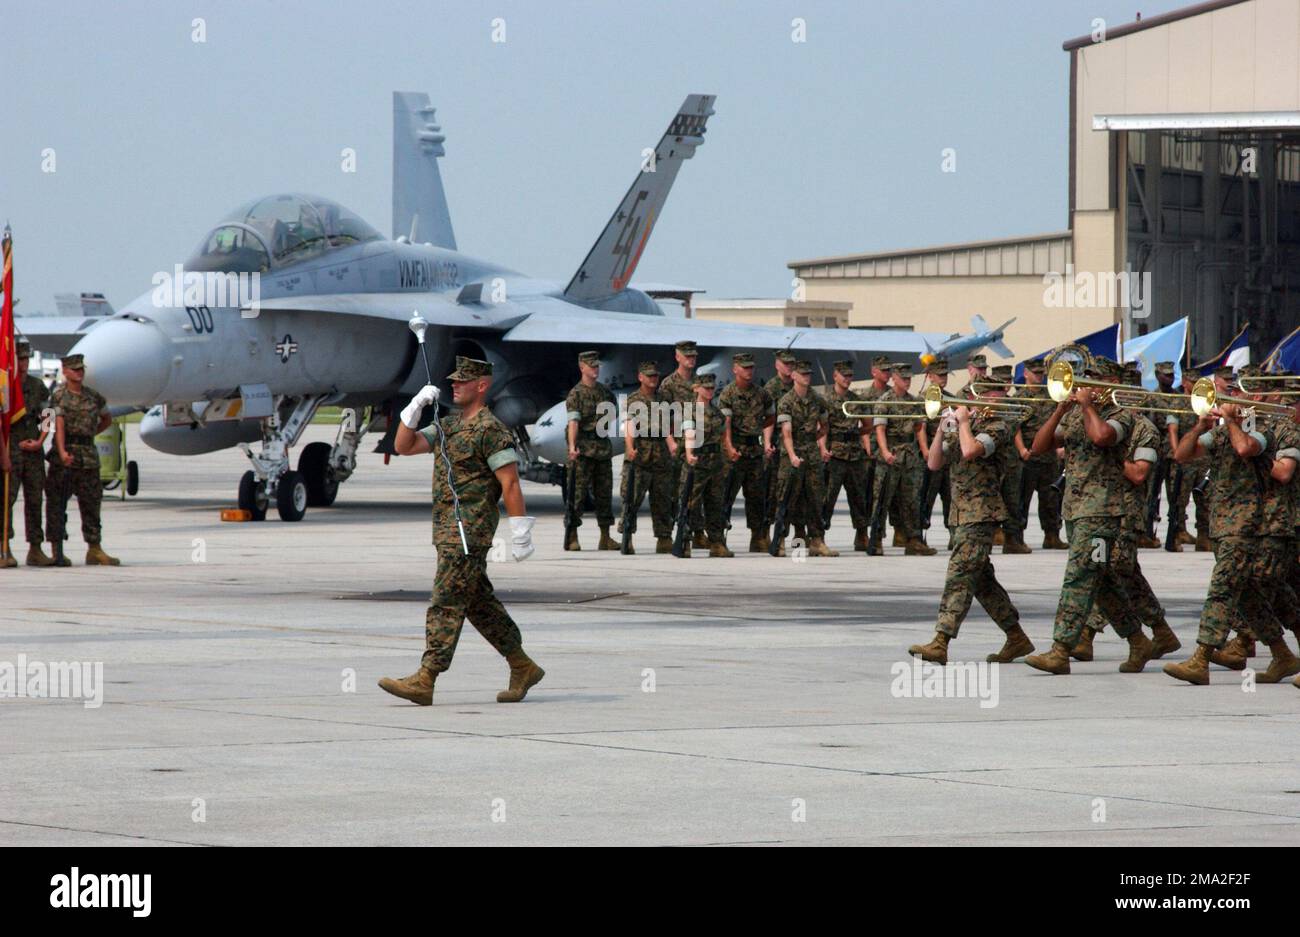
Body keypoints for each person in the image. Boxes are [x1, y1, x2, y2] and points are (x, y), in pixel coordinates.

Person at [379, 356, 542, 705]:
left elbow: (510, 482)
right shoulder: (449, 426)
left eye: (463, 381)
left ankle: (426, 677)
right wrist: (415, 406)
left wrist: (520, 532)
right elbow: (403, 446)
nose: (454, 385)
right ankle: (522, 664)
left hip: (469, 532)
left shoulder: (491, 430)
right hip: (447, 531)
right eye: (453, 380)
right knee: (478, 603)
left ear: (482, 385)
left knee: (446, 602)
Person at [1023, 356, 1155, 675]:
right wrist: (1058, 410)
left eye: (1093, 381)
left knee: (1079, 575)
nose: (1086, 386)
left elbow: (1102, 437)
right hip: (1075, 509)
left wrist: (1086, 407)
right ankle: (1139, 640)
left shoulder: (1122, 416)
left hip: (1103, 513)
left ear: (1108, 385)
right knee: (1102, 581)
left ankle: (1060, 650)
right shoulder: (1075, 415)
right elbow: (1039, 446)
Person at [1163, 389, 1300, 685]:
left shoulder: (1266, 429)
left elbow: (1245, 448)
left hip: (1250, 525)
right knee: (1253, 593)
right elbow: (1182, 454)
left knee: (1223, 589)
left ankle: (1200, 659)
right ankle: (1282, 654)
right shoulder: (1224, 433)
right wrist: (1200, 426)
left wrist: (1231, 420)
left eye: (1240, 394)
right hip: (1225, 524)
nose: (1232, 399)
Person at [1070, 366, 1180, 664]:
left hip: (1126, 512)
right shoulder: (1100, 420)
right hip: (1100, 509)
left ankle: (1094, 633)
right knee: (1108, 568)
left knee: (1114, 567)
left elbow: (1139, 474)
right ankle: (1156, 631)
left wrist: (1109, 459)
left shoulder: (1144, 429)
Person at [908, 398, 1031, 664]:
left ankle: (941, 641)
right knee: (983, 584)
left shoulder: (999, 427)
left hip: (981, 515)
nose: (973, 404)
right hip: (961, 516)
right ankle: (1016, 637)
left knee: (959, 576)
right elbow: (933, 462)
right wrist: (942, 427)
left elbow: (969, 451)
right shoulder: (966, 426)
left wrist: (963, 423)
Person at [44, 353, 117, 567]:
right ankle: (57, 550)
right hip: (65, 457)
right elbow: (57, 425)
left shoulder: (94, 397)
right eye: (74, 369)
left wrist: (91, 433)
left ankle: (94, 549)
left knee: (91, 503)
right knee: (57, 504)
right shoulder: (57, 396)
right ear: (65, 371)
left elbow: (106, 418)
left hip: (88, 456)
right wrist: (62, 451)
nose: (79, 373)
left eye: (81, 369)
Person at [773, 360, 837, 557]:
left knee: (816, 497)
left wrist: (819, 442)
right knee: (787, 497)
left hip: (811, 452)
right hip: (791, 453)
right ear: (794, 376)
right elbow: (787, 433)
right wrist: (792, 455)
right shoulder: (786, 401)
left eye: (808, 374)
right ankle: (780, 540)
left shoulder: (817, 399)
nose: (806, 377)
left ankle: (817, 540)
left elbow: (826, 422)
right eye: (802, 374)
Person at [869, 363, 934, 555]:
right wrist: (885, 451)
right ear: (894, 379)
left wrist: (925, 450)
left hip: (910, 455)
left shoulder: (914, 402)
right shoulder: (885, 401)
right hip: (891, 454)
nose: (907, 382)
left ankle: (913, 539)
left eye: (909, 378)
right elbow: (879, 430)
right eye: (903, 378)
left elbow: (919, 428)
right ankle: (876, 539)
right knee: (882, 498)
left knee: (912, 498)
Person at [4, 339, 53, 567]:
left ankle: (35, 547)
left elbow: (49, 415)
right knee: (6, 499)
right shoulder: (5, 386)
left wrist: (41, 440)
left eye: (25, 358)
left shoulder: (37, 386)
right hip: (11, 449)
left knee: (35, 499)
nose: (22, 364)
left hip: (33, 451)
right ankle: (4, 547)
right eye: (19, 358)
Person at [717, 352, 773, 552]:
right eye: (744, 367)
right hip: (736, 452)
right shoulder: (728, 394)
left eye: (751, 367)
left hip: (755, 452)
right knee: (726, 496)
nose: (749, 371)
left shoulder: (762, 393)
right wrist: (730, 447)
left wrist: (764, 440)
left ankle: (757, 537)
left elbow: (770, 418)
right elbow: (726, 425)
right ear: (735, 369)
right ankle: (719, 537)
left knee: (756, 497)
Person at [563, 350, 617, 551]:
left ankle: (605, 536)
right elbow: (573, 423)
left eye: (597, 365)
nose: (595, 369)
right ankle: (572, 536)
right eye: (591, 365)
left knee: (604, 495)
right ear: (582, 367)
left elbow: (612, 416)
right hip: (583, 451)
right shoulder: (575, 394)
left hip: (602, 450)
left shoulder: (605, 393)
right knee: (576, 495)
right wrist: (572, 447)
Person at [677, 373, 732, 558]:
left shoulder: (717, 412)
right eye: (706, 388)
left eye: (711, 387)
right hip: (697, 463)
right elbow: (689, 433)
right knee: (690, 503)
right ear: (697, 388)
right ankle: (685, 540)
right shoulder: (690, 411)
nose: (710, 391)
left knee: (715, 503)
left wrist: (728, 452)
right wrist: (690, 454)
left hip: (715, 463)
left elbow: (724, 435)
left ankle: (716, 542)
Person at [621, 361, 673, 554]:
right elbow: (628, 426)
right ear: (640, 377)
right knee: (632, 497)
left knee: (662, 498)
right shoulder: (633, 400)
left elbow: (668, 425)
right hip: (640, 453)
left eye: (655, 375)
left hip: (661, 454)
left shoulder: (664, 399)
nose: (653, 379)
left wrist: (672, 444)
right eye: (649, 375)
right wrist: (629, 447)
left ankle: (664, 537)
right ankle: (628, 535)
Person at [821, 359, 872, 551]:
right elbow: (822, 426)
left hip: (854, 454)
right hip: (835, 454)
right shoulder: (825, 400)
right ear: (835, 376)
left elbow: (867, 424)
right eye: (844, 375)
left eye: (850, 376)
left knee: (858, 497)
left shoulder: (855, 400)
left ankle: (861, 535)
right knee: (828, 497)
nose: (847, 379)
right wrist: (823, 449)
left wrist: (858, 435)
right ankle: (819, 534)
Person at [1014, 358, 1065, 549]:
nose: (1039, 376)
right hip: (1027, 457)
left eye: (1041, 373)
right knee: (1021, 500)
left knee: (1051, 499)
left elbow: (1060, 423)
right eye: (1035, 373)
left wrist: (1060, 447)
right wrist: (1021, 450)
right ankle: (1016, 537)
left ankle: (1052, 535)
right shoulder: (1019, 397)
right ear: (1025, 373)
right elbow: (1015, 427)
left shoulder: (1051, 395)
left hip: (1048, 457)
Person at [660, 340, 705, 548]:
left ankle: (697, 532)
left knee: (696, 489)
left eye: (693, 355)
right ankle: (669, 534)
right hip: (677, 443)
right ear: (677, 357)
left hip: (698, 442)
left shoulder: (701, 383)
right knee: (674, 490)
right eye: (687, 356)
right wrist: (669, 442)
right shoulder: (668, 384)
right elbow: (661, 416)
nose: (691, 359)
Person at [1167, 366, 1211, 550]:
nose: (1194, 385)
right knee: (1179, 501)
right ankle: (1176, 535)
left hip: (1201, 460)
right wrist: (1178, 454)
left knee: (1205, 500)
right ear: (1184, 383)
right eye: (1192, 382)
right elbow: (1173, 430)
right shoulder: (1177, 403)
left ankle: (1203, 537)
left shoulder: (1204, 402)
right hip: (1184, 460)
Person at [988, 365, 1031, 554]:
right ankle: (988, 537)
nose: (1006, 384)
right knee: (988, 501)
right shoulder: (987, 403)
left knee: (1013, 501)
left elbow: (1016, 429)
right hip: (991, 461)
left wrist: (1021, 449)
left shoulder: (1013, 403)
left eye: (1008, 380)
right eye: (1002, 381)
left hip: (1011, 460)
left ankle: (1013, 539)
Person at [761, 350, 797, 543]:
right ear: (777, 365)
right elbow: (768, 419)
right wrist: (767, 443)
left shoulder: (798, 386)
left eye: (791, 363)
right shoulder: (770, 389)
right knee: (772, 491)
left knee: (794, 493)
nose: (789, 366)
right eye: (785, 363)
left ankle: (791, 533)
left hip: (794, 447)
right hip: (776, 447)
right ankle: (766, 533)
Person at [919, 358, 953, 548]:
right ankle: (922, 535)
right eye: (939, 375)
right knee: (927, 497)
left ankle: (953, 535)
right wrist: (925, 450)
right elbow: (921, 428)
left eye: (945, 375)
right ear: (930, 377)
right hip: (932, 455)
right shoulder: (924, 398)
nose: (943, 379)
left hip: (947, 456)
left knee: (949, 497)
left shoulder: (949, 397)